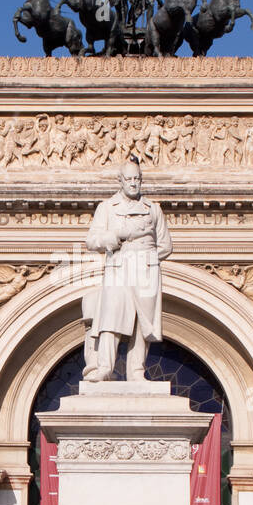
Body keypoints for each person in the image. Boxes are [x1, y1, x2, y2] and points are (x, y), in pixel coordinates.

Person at [83, 158, 172, 381]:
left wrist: (147, 258)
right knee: (110, 318)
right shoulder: (107, 207)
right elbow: (92, 240)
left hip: (146, 270)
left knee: (143, 323)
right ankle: (105, 368)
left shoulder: (153, 209)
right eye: (129, 179)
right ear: (120, 181)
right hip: (118, 267)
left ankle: (136, 372)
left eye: (137, 179)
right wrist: (114, 238)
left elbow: (165, 245)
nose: (134, 184)